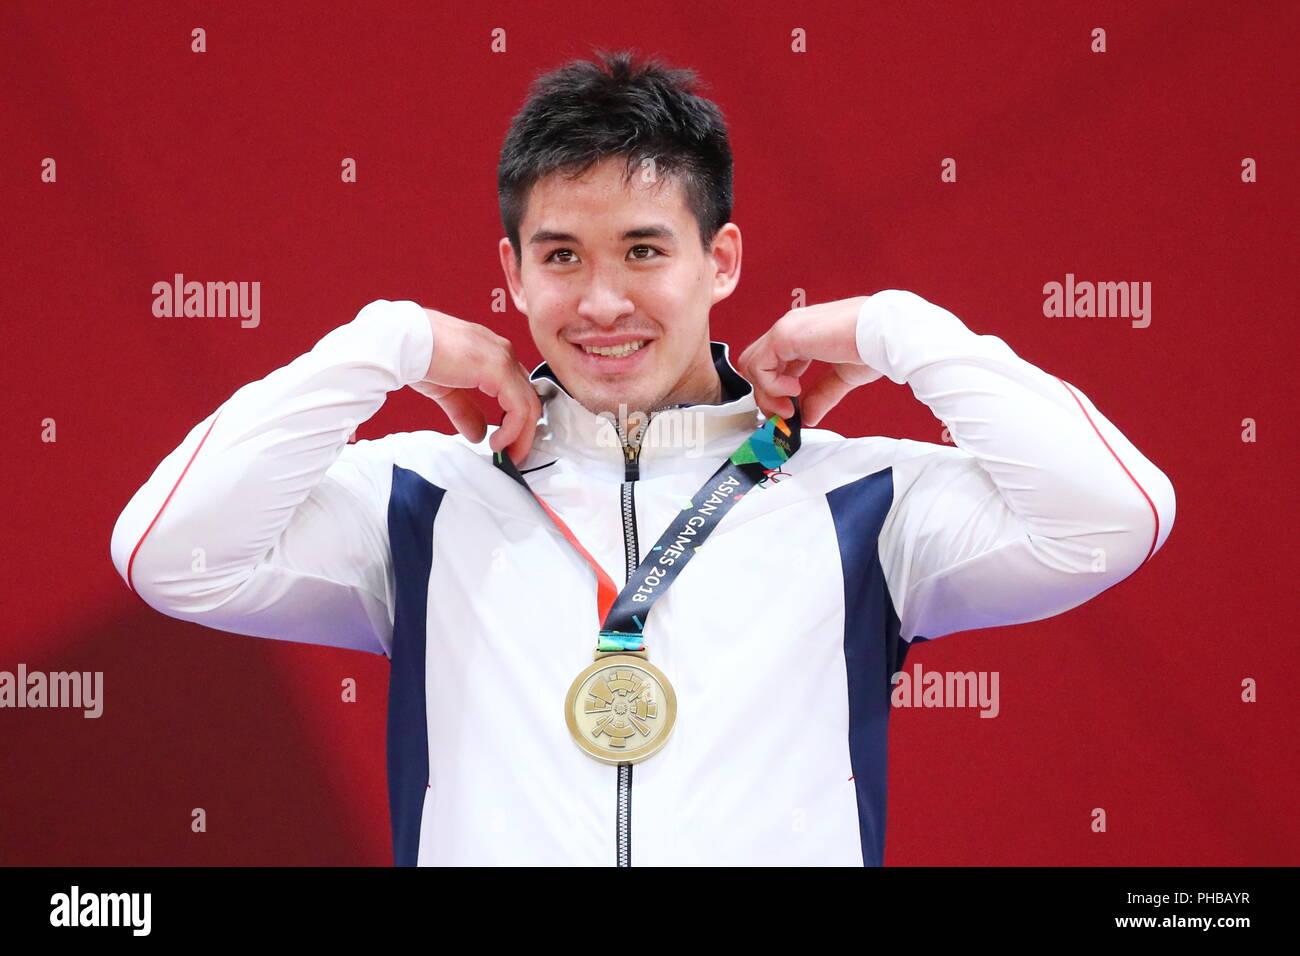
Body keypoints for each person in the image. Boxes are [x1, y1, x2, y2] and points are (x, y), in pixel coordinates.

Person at [110, 49, 1176, 866]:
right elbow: (172, 554)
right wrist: (377, 343)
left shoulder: (859, 503)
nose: (602, 301)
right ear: (512, 274)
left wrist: (904, 330)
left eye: (644, 250)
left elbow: (1110, 518)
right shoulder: (424, 503)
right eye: (561, 255)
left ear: (721, 260)